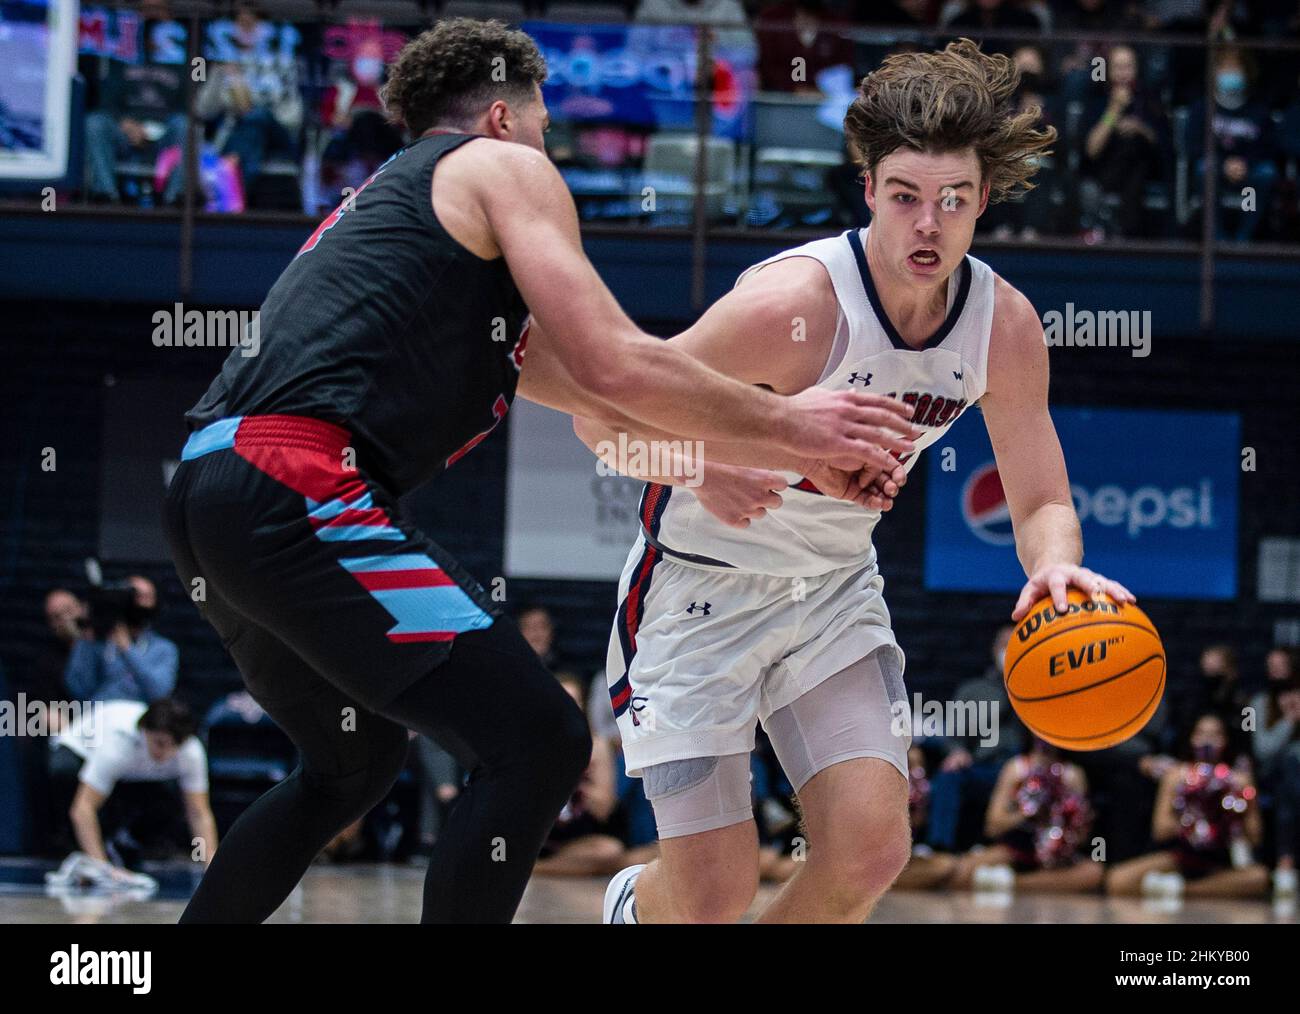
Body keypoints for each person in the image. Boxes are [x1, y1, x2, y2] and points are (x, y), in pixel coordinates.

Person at [163, 18, 908, 925]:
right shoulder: (502, 166)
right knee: (540, 739)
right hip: (296, 482)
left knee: (350, 764)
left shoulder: (417, 237)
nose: (550, 148)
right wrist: (797, 426)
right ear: (507, 117)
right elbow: (615, 361)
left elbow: (596, 402)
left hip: (209, 486)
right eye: (549, 125)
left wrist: (706, 463)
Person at [564, 39, 1136, 924]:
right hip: (694, 594)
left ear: (984, 200)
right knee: (712, 896)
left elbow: (1044, 498)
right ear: (868, 189)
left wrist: (1052, 568)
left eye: (952, 201)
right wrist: (705, 468)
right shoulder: (791, 306)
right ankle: (632, 907)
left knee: (872, 850)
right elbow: (599, 421)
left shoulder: (1005, 327)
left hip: (830, 593)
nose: (928, 225)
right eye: (905, 197)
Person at [1105, 713, 1270, 900]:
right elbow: (1160, 830)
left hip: (1222, 861)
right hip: (1181, 856)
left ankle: (1182, 890)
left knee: (1259, 878)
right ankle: (1201, 890)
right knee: (1117, 880)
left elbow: (1255, 836)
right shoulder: (1176, 775)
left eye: (1215, 735)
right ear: (1191, 738)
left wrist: (1228, 819)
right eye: (1201, 734)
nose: (1207, 741)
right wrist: (1197, 823)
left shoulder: (1240, 779)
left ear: (1225, 740)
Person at [50, 697, 217, 874]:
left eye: (174, 746)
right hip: (82, 753)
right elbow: (83, 808)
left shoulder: (191, 752)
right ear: (144, 731)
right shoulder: (118, 745)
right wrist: (104, 870)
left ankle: (125, 843)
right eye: (159, 743)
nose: (166, 753)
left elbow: (198, 812)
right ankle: (77, 847)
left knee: (168, 803)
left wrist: (211, 865)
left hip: (132, 777)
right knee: (64, 773)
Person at [948, 738, 1102, 894]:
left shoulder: (1073, 774)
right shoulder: (1015, 768)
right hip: (1016, 848)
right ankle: (1038, 884)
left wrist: (1065, 827)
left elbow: (1083, 837)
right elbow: (992, 827)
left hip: (1058, 857)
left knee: (1094, 873)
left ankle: (1011, 883)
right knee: (962, 872)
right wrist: (1028, 811)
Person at [64, 576, 179, 705]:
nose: (137, 602)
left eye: (145, 597)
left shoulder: (163, 648)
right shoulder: (98, 643)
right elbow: (78, 689)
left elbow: (159, 693)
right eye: (133, 595)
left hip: (142, 718)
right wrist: (86, 640)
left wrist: (127, 648)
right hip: (100, 715)